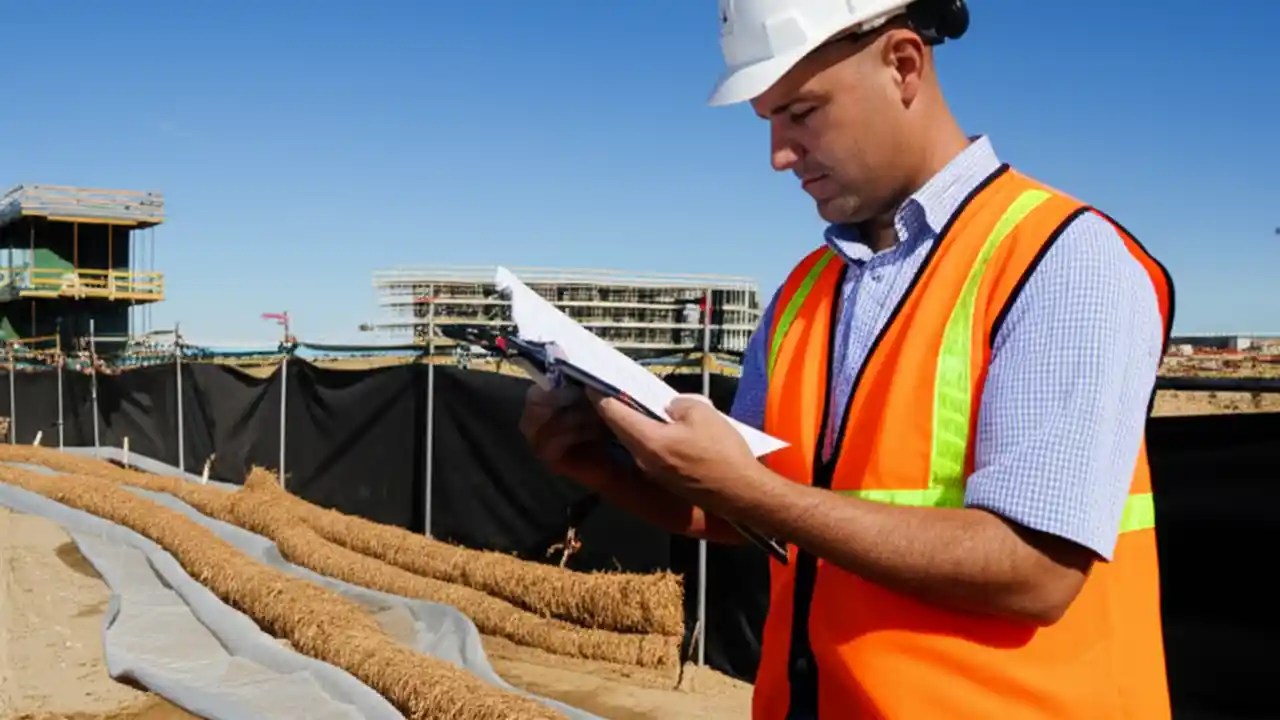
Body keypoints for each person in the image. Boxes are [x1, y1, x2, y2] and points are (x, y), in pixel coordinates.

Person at [519, 1, 1175, 717]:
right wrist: (596, 463)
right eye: (768, 120)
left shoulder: (1063, 261)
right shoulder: (806, 291)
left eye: (801, 112)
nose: (778, 154)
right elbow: (750, 512)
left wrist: (750, 492)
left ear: (902, 65)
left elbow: (1036, 572)